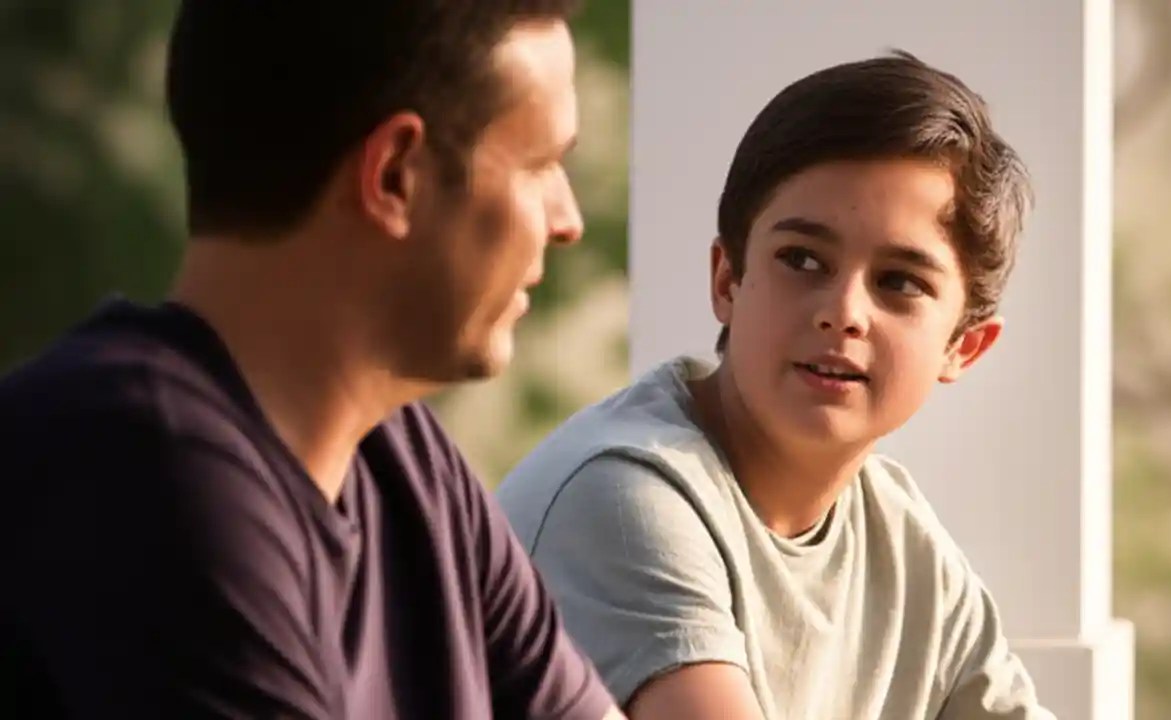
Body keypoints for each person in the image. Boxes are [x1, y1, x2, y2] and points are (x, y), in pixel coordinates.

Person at [0, 1, 624, 718]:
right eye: (541, 164)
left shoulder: (410, 467)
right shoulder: (139, 468)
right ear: (395, 174)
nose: (567, 220)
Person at [497, 51, 1054, 719]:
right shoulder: (622, 495)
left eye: (899, 282)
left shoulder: (903, 545)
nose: (843, 311)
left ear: (964, 345)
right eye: (802, 260)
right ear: (727, 281)